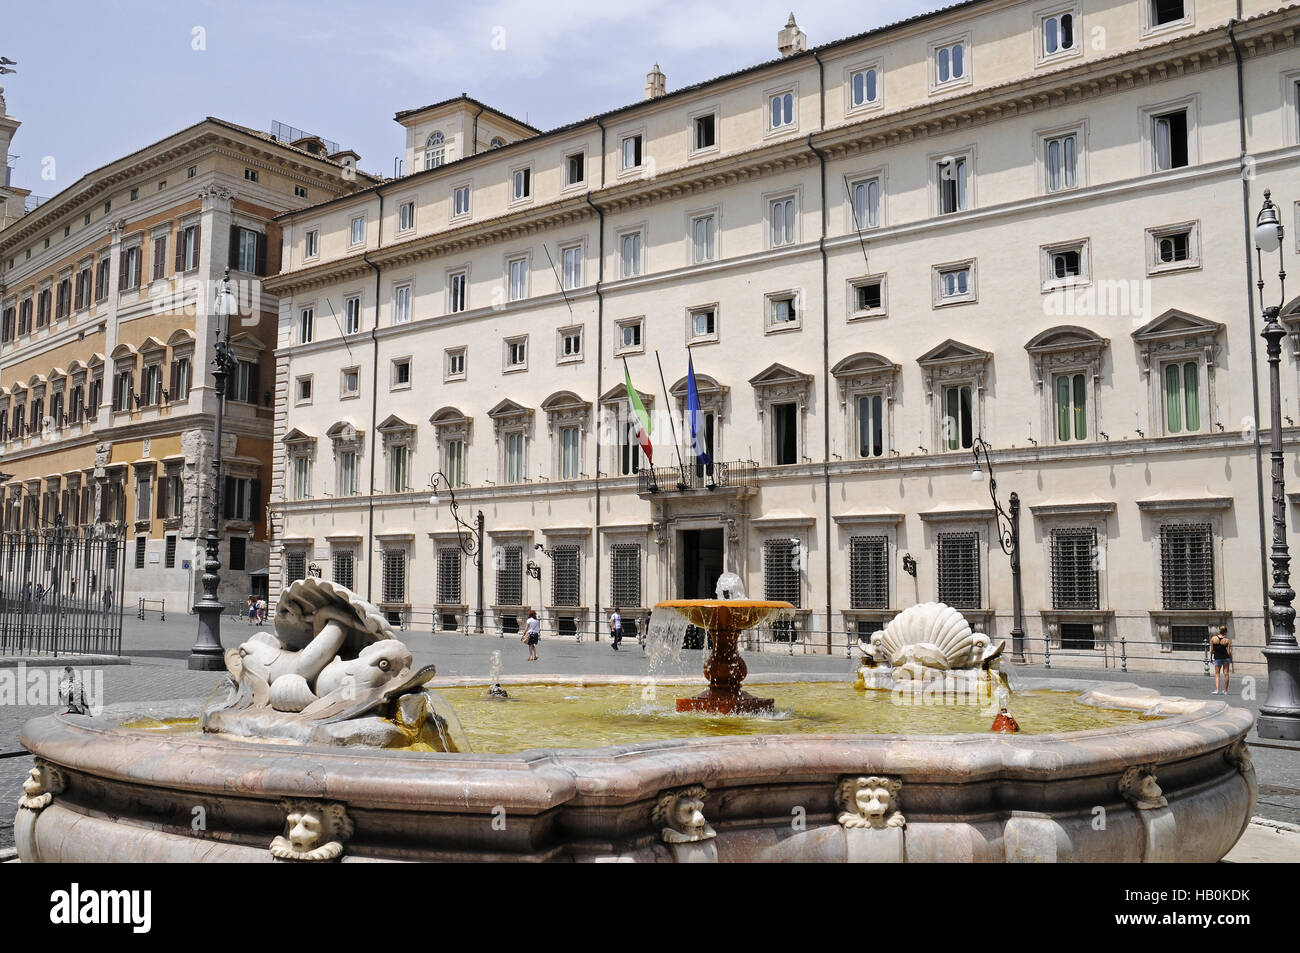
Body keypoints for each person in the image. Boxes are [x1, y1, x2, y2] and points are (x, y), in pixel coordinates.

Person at [1210, 625, 1232, 695]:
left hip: (1217, 657)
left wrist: (1211, 658)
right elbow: (1228, 652)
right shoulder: (1227, 640)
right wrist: (1230, 658)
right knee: (1226, 674)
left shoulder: (1213, 638)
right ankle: (1225, 691)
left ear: (1219, 630)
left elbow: (1212, 650)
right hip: (1226, 658)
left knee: (1217, 674)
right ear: (1225, 632)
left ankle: (1217, 690)